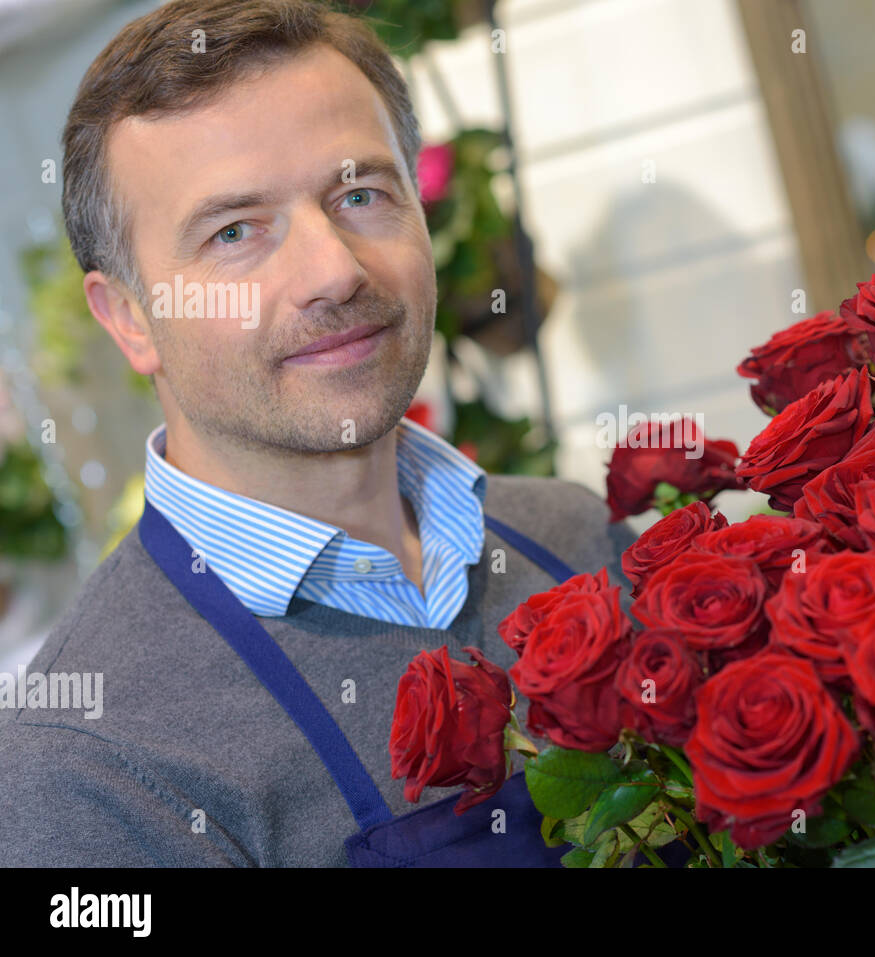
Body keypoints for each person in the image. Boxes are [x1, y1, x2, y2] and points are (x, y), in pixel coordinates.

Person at [0, 0, 634, 867]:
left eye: (361, 194)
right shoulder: (82, 761)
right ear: (129, 320)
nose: (333, 270)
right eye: (234, 232)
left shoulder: (572, 536)